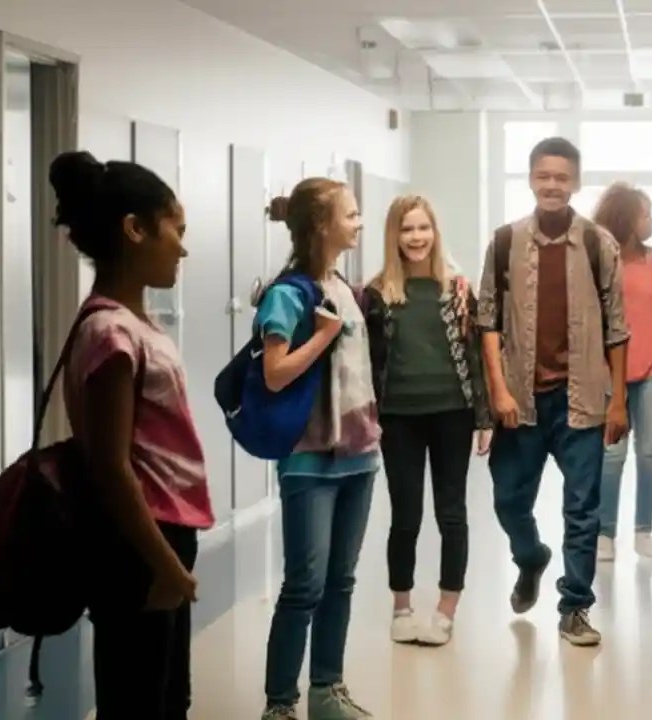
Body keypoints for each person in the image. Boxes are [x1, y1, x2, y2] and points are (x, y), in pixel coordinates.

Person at [52, 151, 212, 720]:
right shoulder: (110, 334)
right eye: (177, 229)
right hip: (137, 544)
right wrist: (164, 563)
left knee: (168, 699)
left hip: (162, 535)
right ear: (135, 229)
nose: (183, 248)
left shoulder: (136, 322)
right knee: (138, 702)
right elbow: (111, 466)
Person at [477, 136, 630, 647]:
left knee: (583, 508)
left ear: (576, 183)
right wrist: (498, 390)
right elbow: (488, 323)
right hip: (519, 401)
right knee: (508, 501)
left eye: (562, 177)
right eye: (543, 176)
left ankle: (575, 607)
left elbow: (617, 328)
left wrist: (619, 400)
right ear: (530, 179)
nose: (552, 185)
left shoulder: (597, 244)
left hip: (581, 399)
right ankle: (531, 557)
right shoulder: (503, 242)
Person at [259, 178, 380, 720]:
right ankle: (280, 704)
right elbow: (276, 373)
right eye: (350, 215)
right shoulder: (289, 293)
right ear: (321, 226)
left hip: (360, 456)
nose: (358, 222)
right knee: (304, 584)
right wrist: (323, 337)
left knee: (342, 581)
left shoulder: (345, 287)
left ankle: (327, 691)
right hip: (310, 460)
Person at [363, 195, 491, 647]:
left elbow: (475, 355)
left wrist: (484, 416)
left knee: (451, 512)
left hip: (452, 413)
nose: (416, 237)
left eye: (423, 228)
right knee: (405, 515)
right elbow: (366, 363)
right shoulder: (376, 293)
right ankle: (402, 608)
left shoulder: (457, 287)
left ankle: (446, 608)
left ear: (435, 232)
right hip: (398, 417)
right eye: (406, 229)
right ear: (393, 236)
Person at [592, 182, 652, 563]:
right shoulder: (599, 259)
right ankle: (604, 532)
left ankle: (644, 529)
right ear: (627, 218)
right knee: (612, 455)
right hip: (611, 372)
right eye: (646, 214)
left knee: (650, 452)